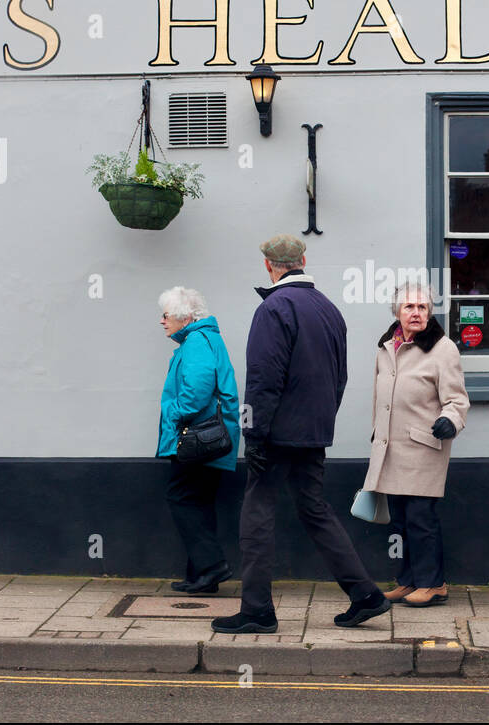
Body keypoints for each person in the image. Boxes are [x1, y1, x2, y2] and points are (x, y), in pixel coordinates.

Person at [212, 235, 391, 634]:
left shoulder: (273, 308)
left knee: (257, 513)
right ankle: (365, 594)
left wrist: (253, 433)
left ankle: (257, 610)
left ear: (268, 266)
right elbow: (340, 377)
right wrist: (320, 420)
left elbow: (263, 377)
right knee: (315, 510)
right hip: (312, 431)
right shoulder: (329, 309)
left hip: (275, 433)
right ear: (303, 260)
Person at [363, 281, 469, 608]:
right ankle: (407, 580)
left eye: (422, 307)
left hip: (423, 447)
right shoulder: (387, 347)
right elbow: (380, 399)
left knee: (421, 519)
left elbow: (457, 399)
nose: (416, 313)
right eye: (409, 307)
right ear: (397, 311)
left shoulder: (443, 348)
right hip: (389, 448)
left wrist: (450, 420)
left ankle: (433, 583)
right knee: (400, 520)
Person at [156, 286, 241, 594]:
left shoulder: (197, 342)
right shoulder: (206, 339)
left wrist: (173, 415)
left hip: (197, 440)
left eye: (166, 316)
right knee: (199, 502)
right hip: (211, 439)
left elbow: (196, 394)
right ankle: (201, 577)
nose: (162, 322)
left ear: (185, 317)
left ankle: (211, 566)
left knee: (181, 498)